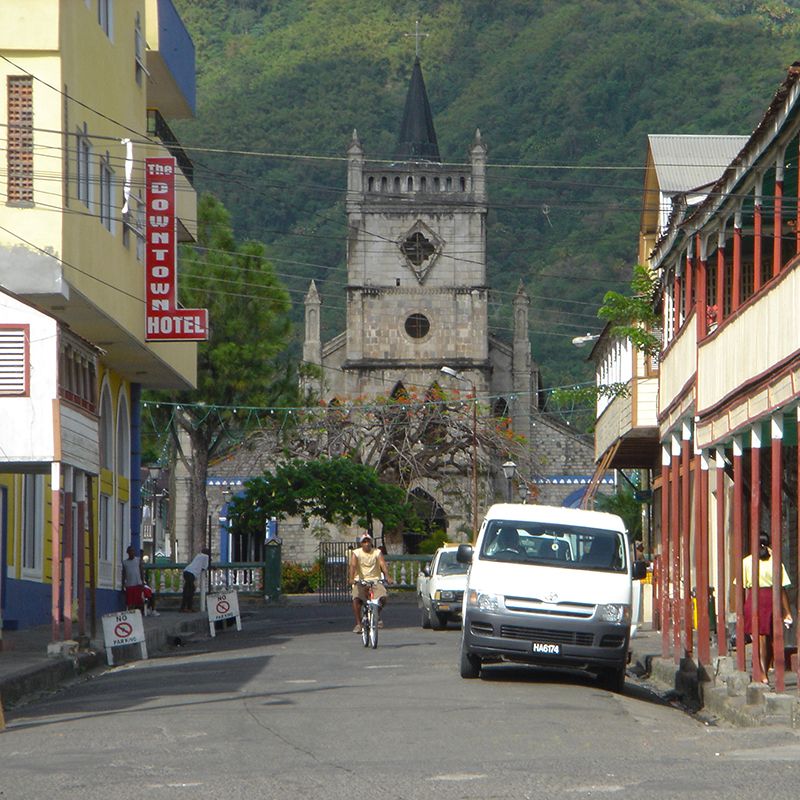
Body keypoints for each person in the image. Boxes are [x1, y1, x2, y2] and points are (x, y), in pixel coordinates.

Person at [742, 533, 792, 683]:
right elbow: (782, 587)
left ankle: (762, 672)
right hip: (772, 599)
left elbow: (743, 586)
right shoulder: (775, 561)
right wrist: (787, 611)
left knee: (759, 637)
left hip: (754, 598)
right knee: (770, 637)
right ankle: (764, 669)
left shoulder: (747, 562)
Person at [348, 533, 392, 633]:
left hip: (375, 580)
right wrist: (351, 578)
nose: (367, 544)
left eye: (368, 541)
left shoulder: (377, 552)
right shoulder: (356, 553)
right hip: (361, 580)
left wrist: (387, 576)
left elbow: (382, 564)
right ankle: (359, 624)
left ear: (371, 542)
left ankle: (376, 614)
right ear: (361, 544)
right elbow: (353, 566)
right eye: (364, 542)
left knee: (383, 597)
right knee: (356, 599)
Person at [181, 547, 211, 612]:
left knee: (186, 590)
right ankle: (188, 607)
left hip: (186, 571)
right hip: (191, 574)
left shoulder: (198, 555)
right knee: (191, 591)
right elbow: (205, 567)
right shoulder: (206, 557)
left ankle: (183, 607)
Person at [121, 545, 145, 612]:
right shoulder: (125, 562)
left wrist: (142, 582)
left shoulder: (138, 560)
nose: (132, 553)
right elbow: (123, 574)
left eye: (133, 551)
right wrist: (123, 585)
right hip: (129, 585)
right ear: (127, 553)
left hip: (137, 583)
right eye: (130, 551)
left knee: (138, 602)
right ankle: (130, 613)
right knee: (129, 602)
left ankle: (136, 614)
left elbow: (141, 571)